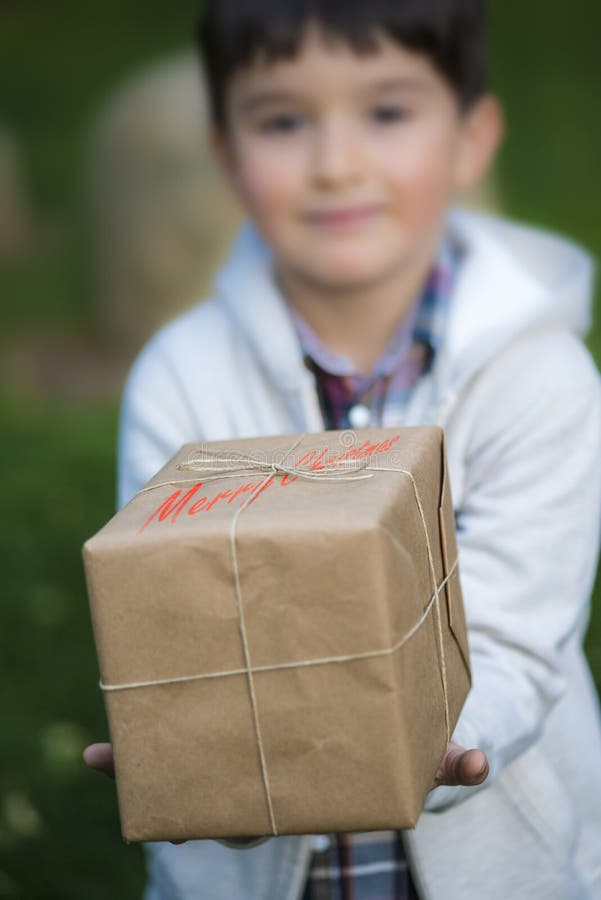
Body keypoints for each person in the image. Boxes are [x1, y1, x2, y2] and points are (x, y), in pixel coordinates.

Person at [83, 1, 601, 898]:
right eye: (283, 121)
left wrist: (416, 748)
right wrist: (211, 780)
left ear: (471, 139)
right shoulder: (180, 376)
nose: (335, 165)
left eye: (387, 112)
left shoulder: (540, 378)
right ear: (226, 156)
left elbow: (518, 638)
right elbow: (176, 628)